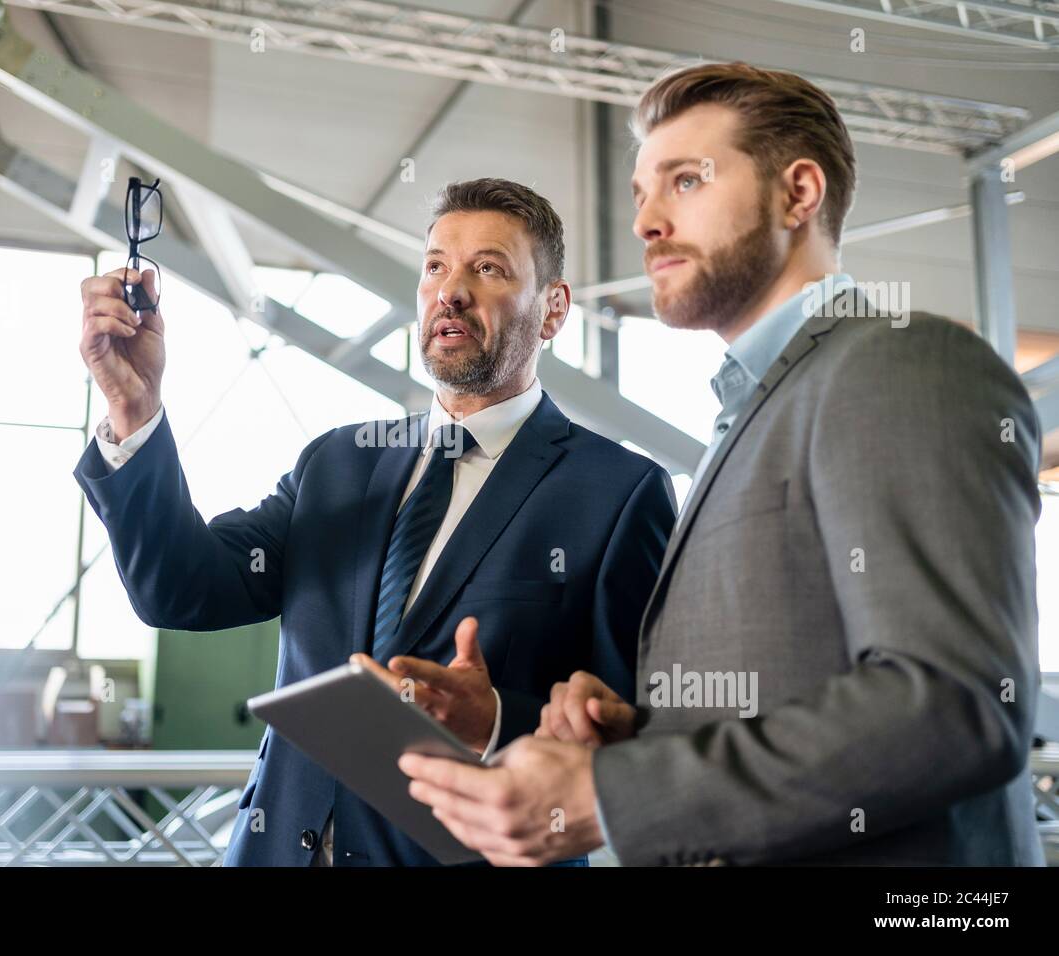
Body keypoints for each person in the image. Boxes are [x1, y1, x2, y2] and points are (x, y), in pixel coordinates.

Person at [399, 63, 1044, 867]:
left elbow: (954, 705)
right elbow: (797, 695)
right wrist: (635, 738)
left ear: (798, 194)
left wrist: (608, 798)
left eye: (686, 182)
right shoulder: (759, 409)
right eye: (641, 193)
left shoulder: (903, 366)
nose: (647, 223)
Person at [74, 178, 676, 865]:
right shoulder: (337, 465)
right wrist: (133, 406)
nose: (451, 290)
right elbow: (179, 590)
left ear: (553, 310)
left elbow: (639, 736)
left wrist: (499, 723)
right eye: (435, 266)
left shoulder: (618, 494)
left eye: (488, 268)